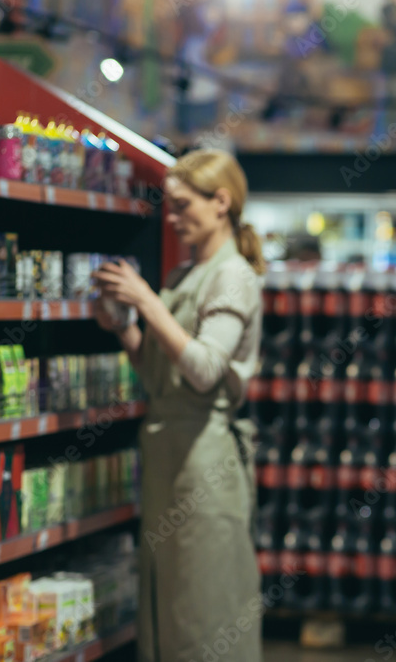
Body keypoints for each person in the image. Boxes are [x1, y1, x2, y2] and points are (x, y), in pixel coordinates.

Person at [92, 150, 266, 662]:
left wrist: (145, 302)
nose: (171, 218)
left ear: (221, 203)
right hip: (169, 454)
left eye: (182, 206)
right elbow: (158, 374)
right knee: (167, 602)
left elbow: (206, 369)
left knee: (205, 606)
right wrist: (123, 325)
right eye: (168, 207)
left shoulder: (232, 276)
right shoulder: (186, 275)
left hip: (204, 461)